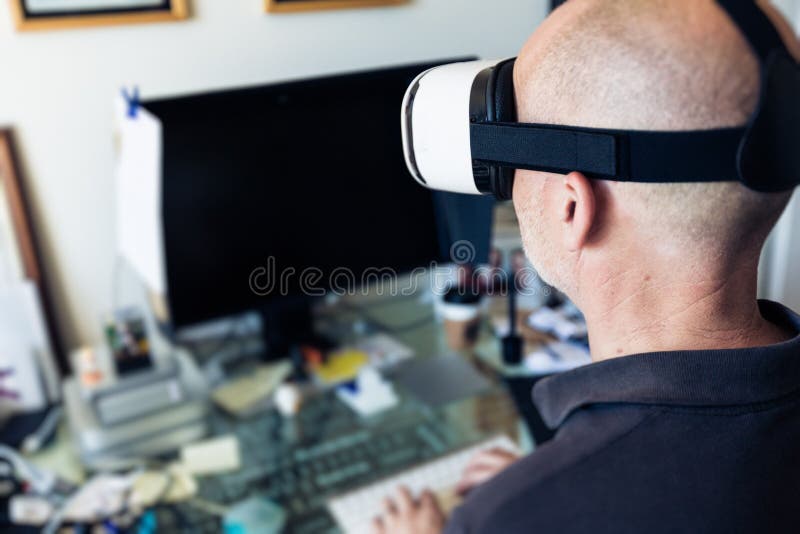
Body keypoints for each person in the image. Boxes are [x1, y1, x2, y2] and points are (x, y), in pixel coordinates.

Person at [371, 1, 800, 533]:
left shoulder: (503, 520)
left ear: (572, 207)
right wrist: (559, 488)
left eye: (512, 173)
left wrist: (534, 503)